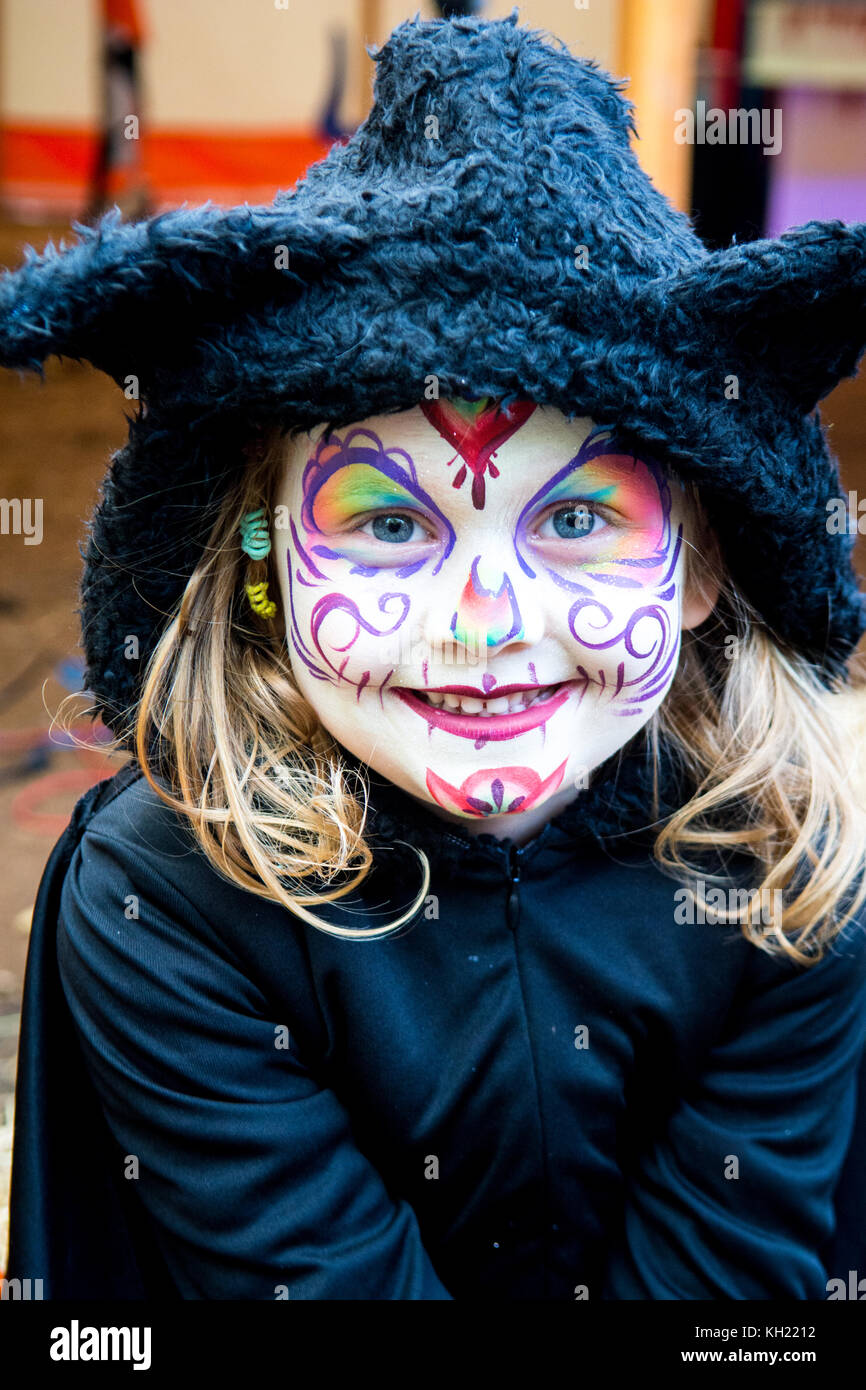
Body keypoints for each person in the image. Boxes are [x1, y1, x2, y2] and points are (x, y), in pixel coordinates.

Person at [3, 9, 866, 1301]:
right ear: (261, 559)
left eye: (575, 518)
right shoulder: (160, 896)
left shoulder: (795, 867)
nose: (481, 619)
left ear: (696, 566)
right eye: (388, 521)